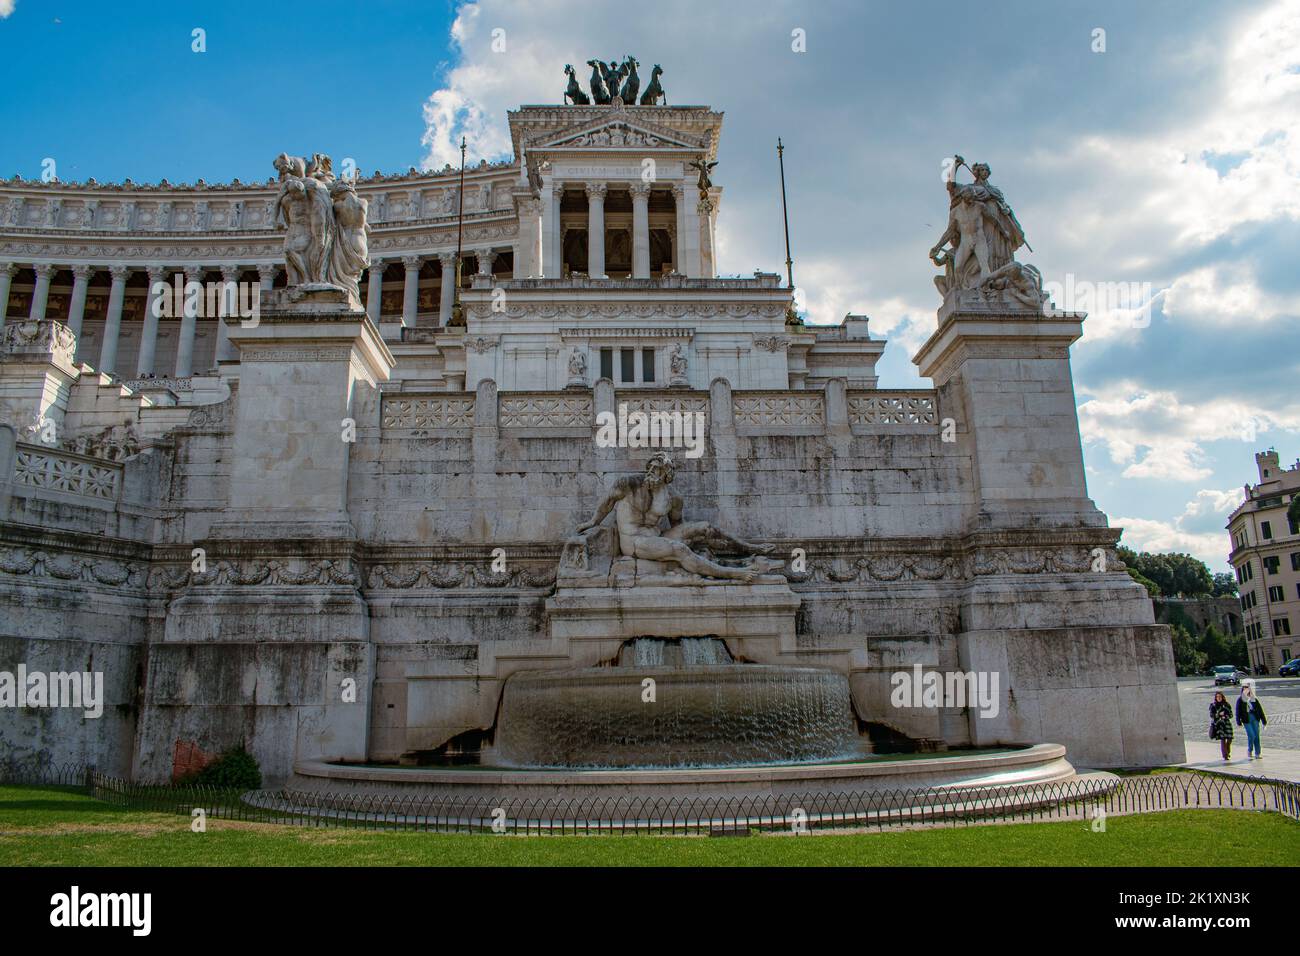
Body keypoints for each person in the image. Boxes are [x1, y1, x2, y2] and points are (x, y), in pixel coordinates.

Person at [1236, 680, 1267, 758]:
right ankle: (1249, 750)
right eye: (1244, 689)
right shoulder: (1240, 700)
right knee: (1251, 735)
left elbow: (1260, 709)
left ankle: (1257, 753)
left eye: (1247, 689)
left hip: (1255, 718)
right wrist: (1238, 721)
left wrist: (1264, 721)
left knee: (1256, 735)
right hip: (1246, 719)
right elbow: (1238, 711)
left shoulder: (1253, 699)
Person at [1209, 691, 1234, 761]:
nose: (1218, 698)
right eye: (1217, 697)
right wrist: (1219, 714)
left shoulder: (1227, 705)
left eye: (1220, 697)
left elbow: (1231, 715)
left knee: (1230, 739)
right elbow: (1211, 715)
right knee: (1223, 739)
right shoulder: (1213, 705)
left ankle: (1227, 752)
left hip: (1227, 723)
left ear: (1222, 697)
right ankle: (1225, 755)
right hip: (1219, 724)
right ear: (1215, 698)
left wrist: (1225, 716)